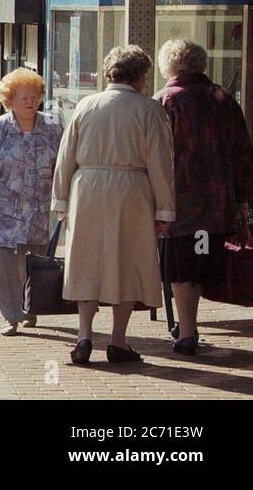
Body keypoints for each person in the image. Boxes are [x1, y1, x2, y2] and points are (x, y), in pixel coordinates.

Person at [54, 45, 176, 365]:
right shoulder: (149, 110)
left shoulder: (86, 105)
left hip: (88, 188)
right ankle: (118, 341)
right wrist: (165, 210)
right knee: (128, 263)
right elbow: (161, 164)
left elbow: (65, 157)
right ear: (139, 76)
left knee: (86, 261)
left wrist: (61, 200)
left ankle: (83, 337)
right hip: (132, 190)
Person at [154, 38, 253, 355]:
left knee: (183, 270)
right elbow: (242, 155)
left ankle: (187, 331)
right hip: (217, 203)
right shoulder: (224, 99)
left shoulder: (166, 101)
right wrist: (241, 200)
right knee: (201, 263)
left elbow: (155, 156)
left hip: (179, 204)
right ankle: (188, 327)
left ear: (168, 65)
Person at [0, 69, 63, 336]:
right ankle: (11, 316)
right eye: (23, 98)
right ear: (10, 101)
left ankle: (31, 309)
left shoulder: (53, 127)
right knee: (6, 266)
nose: (30, 102)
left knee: (34, 263)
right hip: (2, 210)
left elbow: (64, 166)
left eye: (33, 97)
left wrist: (65, 200)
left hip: (39, 210)